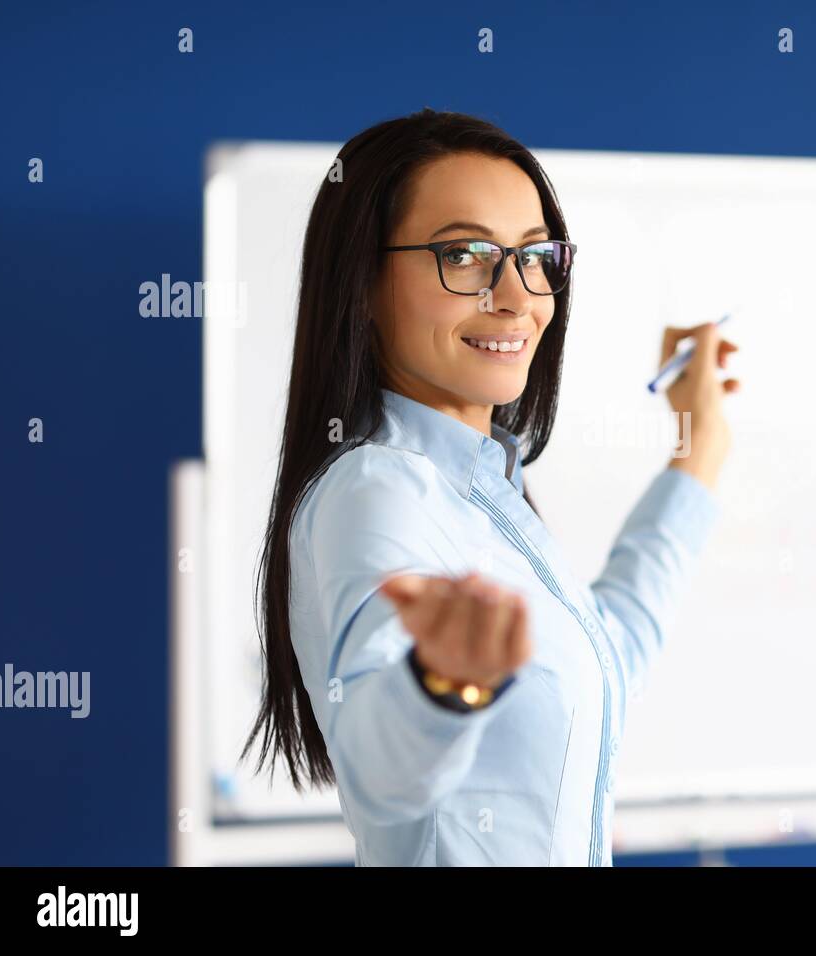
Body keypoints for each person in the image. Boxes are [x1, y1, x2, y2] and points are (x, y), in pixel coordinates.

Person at [242, 109, 740, 865]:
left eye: (536, 256)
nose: (518, 296)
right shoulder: (377, 488)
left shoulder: (476, 486)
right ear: (364, 284)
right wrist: (443, 683)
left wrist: (696, 454)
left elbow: (604, 663)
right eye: (465, 254)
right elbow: (381, 765)